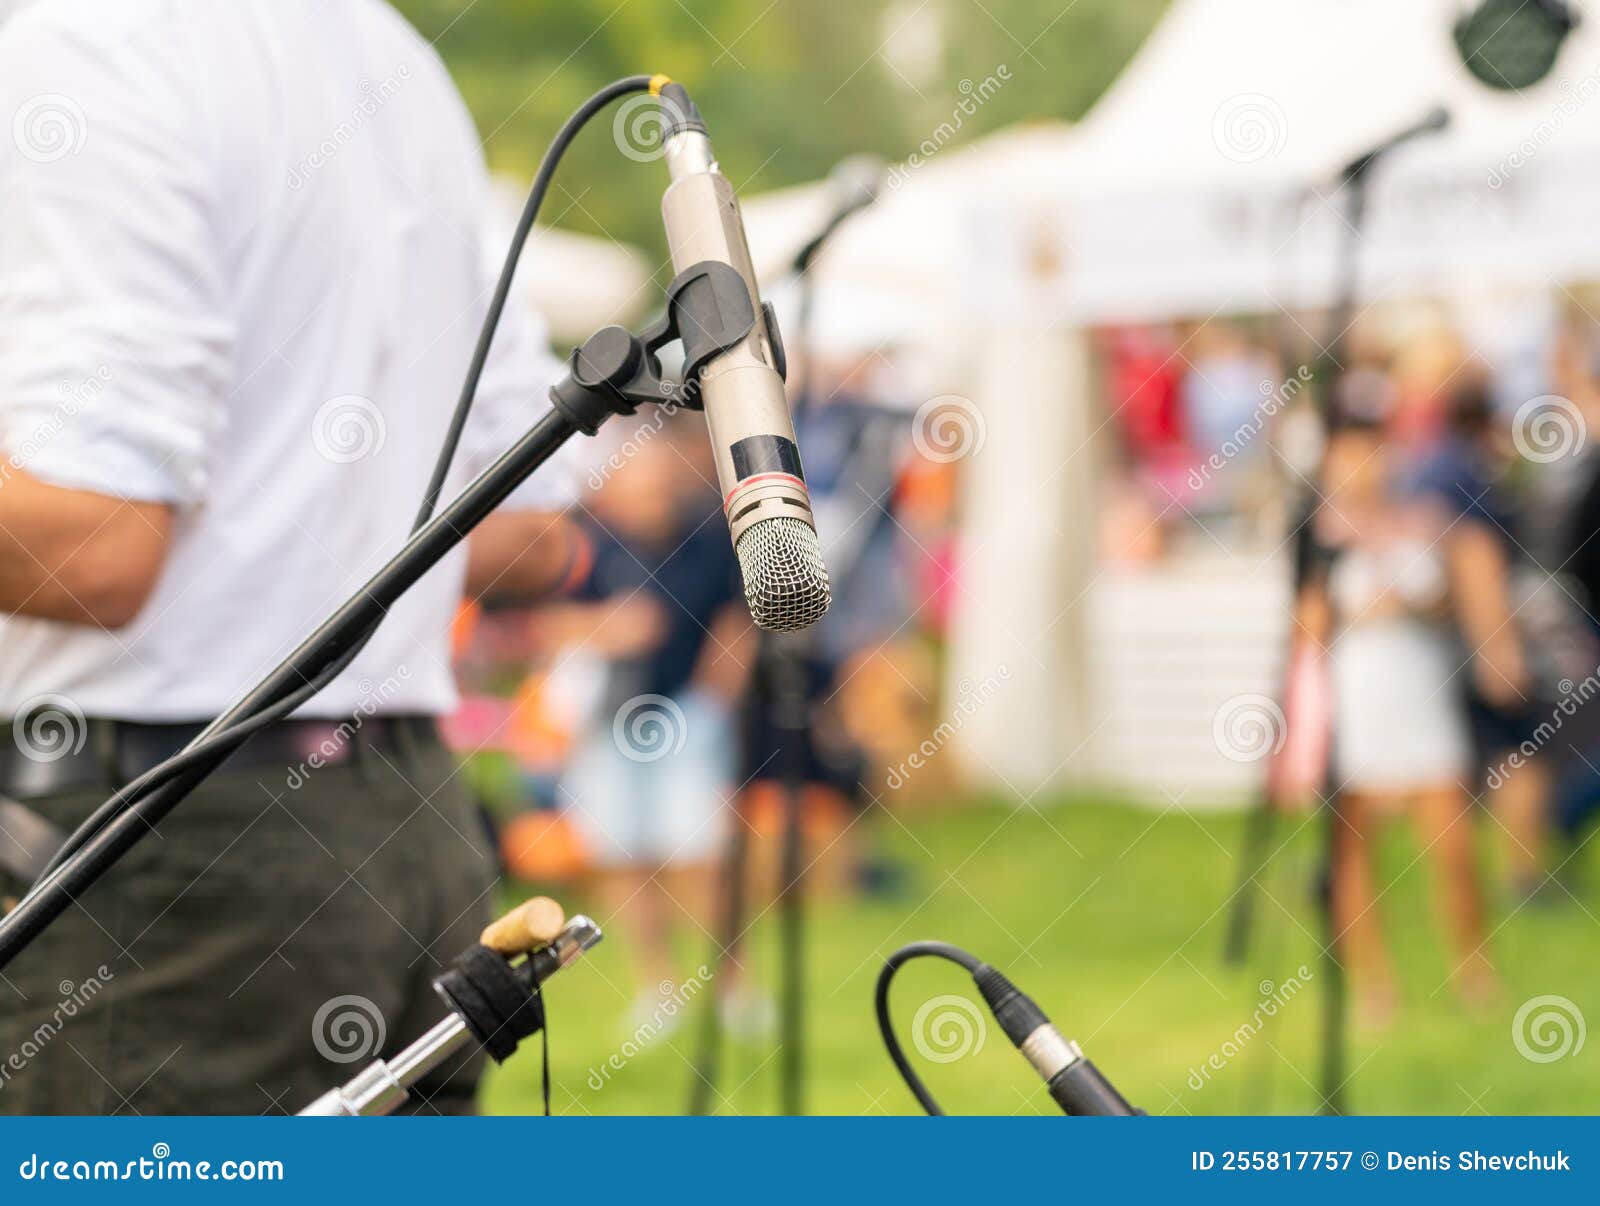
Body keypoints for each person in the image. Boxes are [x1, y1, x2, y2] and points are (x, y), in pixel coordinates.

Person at [0, 0, 585, 1114]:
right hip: (403, 821)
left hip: (185, 854)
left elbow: (102, 542)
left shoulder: (89, 44)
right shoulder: (393, 59)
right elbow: (524, 530)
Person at [533, 416, 754, 1029]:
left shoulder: (708, 540)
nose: (654, 494)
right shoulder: (588, 544)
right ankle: (658, 989)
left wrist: (714, 700)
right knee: (623, 854)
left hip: (686, 715)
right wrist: (608, 629)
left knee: (702, 854)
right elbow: (546, 625)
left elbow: (737, 626)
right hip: (608, 722)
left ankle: (733, 985)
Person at [1299, 418, 1509, 1023]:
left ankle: (1474, 967)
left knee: (1454, 848)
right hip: (1358, 711)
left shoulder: (1424, 524)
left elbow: (1453, 600)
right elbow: (1307, 627)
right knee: (1354, 853)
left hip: (1423, 702)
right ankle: (1372, 983)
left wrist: (1411, 603)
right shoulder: (1322, 540)